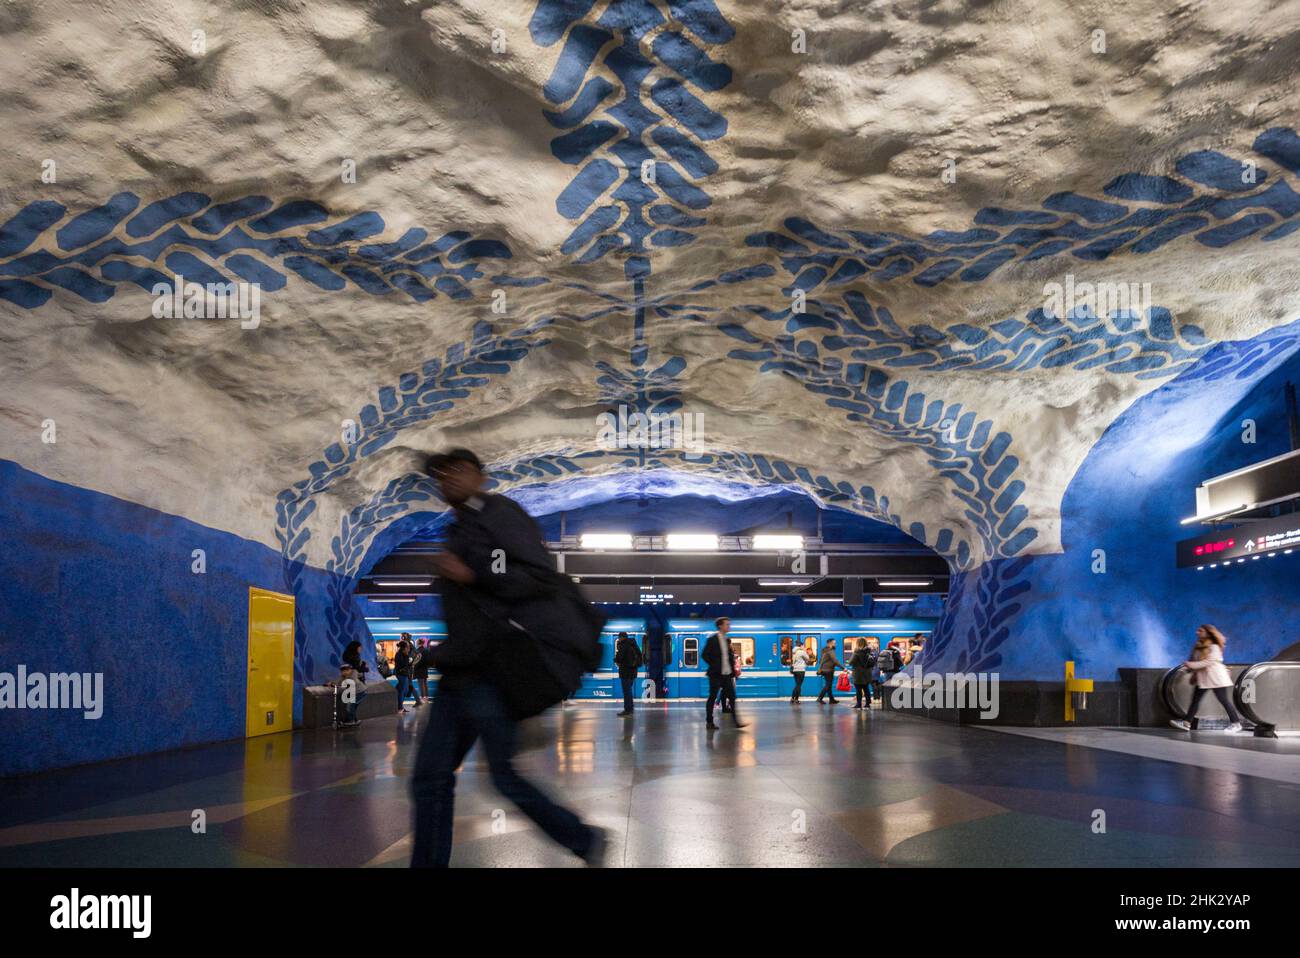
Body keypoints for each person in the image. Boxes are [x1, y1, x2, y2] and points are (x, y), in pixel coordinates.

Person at [410, 448, 607, 868]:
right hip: (462, 669)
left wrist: (472, 574)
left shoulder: (499, 512)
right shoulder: (458, 529)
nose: (448, 478)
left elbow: (537, 576)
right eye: (442, 474)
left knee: (503, 776)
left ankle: (584, 839)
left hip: (493, 670)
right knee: (430, 777)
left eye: (458, 470)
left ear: (481, 476)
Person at [1171, 624, 1243, 733]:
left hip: (1215, 678)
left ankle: (1236, 724)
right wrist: (1190, 669)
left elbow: (1209, 662)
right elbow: (1194, 661)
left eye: (1200, 631)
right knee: (1195, 700)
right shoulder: (1199, 646)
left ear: (1208, 633)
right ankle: (1186, 723)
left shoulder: (1214, 646)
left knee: (1223, 700)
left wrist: (1191, 665)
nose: (1197, 632)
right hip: (1203, 679)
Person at [702, 617, 747, 729]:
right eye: (727, 624)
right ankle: (709, 722)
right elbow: (704, 655)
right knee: (712, 698)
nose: (729, 626)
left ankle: (736, 722)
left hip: (727, 675)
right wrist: (715, 665)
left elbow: (728, 657)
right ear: (720, 626)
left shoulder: (727, 640)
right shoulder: (712, 639)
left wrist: (732, 670)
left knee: (732, 697)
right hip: (716, 674)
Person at [614, 631, 642, 716]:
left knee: (626, 692)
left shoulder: (623, 645)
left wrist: (615, 659)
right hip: (633, 672)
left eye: (619, 637)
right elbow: (640, 656)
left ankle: (627, 710)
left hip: (625, 672)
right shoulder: (633, 644)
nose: (618, 639)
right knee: (629, 691)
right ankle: (631, 708)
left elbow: (619, 658)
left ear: (622, 637)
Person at [850, 638, 876, 709]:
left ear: (858, 643)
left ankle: (859, 704)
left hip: (858, 674)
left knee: (858, 690)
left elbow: (851, 662)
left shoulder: (857, 652)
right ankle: (867, 703)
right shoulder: (869, 652)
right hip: (867, 674)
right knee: (866, 688)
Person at [816, 638, 842, 704]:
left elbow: (820, 660)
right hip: (829, 670)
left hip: (824, 670)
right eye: (834, 643)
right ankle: (820, 698)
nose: (835, 644)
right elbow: (835, 661)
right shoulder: (830, 651)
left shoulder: (824, 651)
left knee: (829, 685)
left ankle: (831, 699)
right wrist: (843, 668)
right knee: (828, 685)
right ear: (830, 643)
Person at [413, 638, 432, 702]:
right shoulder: (426, 650)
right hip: (424, 669)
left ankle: (423, 697)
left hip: (419, 670)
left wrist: (414, 667)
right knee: (425, 684)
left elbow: (417, 661)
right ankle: (426, 697)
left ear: (418, 643)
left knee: (421, 684)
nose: (415, 644)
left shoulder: (418, 651)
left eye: (416, 642)